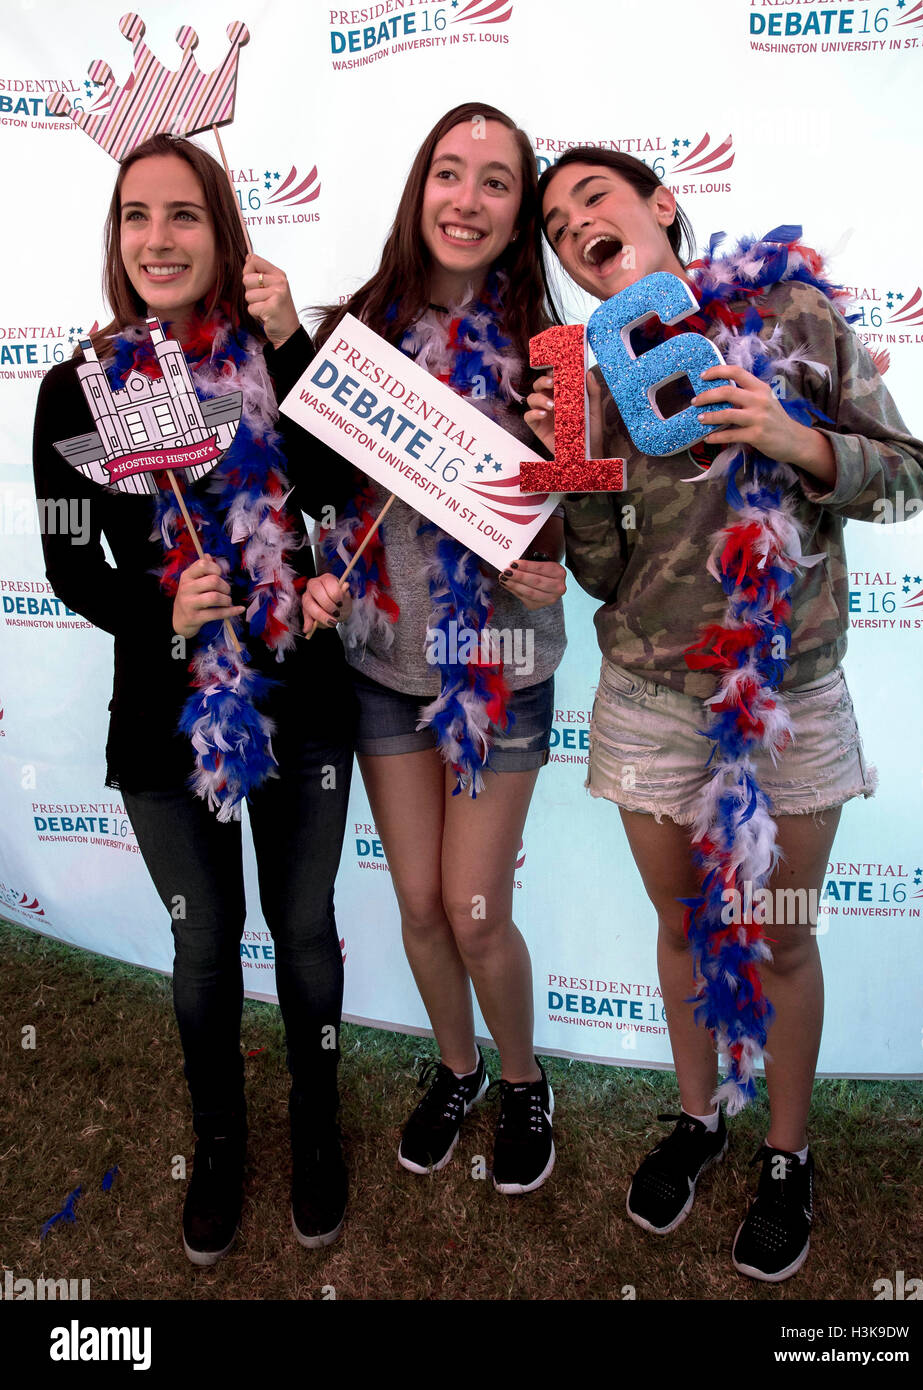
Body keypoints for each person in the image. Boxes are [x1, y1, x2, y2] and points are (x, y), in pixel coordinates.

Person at [529, 148, 923, 1277]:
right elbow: (604, 575)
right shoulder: (590, 381)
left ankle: (785, 1155)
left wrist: (791, 436)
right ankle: (699, 1118)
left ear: (660, 207)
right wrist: (574, 477)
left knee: (783, 936)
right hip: (652, 700)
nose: (573, 228)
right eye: (557, 228)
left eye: (591, 201)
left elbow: (907, 476)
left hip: (792, 696)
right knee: (680, 927)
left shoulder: (794, 316)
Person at [33, 133, 360, 1264]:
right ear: (115, 237)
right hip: (164, 713)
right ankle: (219, 1143)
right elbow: (72, 561)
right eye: (137, 215)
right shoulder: (73, 390)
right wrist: (155, 613)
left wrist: (290, 339)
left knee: (306, 929)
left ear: (224, 232)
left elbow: (333, 490)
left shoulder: (276, 359)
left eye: (184, 214)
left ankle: (317, 1132)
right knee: (204, 941)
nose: (158, 238)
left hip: (300, 696)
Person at [254, 102, 568, 1195]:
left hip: (500, 663)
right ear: (419, 188)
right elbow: (316, 489)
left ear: (518, 209)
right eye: (449, 172)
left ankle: (525, 1078)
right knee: (421, 906)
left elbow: (579, 513)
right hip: (384, 664)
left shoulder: (554, 353)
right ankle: (457, 1067)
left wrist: (554, 556)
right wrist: (320, 564)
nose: (467, 200)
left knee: (479, 911)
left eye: (494, 182)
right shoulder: (353, 336)